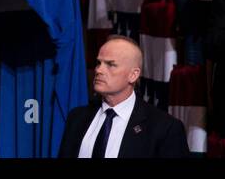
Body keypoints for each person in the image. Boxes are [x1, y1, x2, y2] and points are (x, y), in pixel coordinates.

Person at [58, 36, 189, 158]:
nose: (99, 70)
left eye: (111, 65)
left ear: (133, 75)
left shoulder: (165, 128)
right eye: (99, 63)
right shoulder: (76, 118)